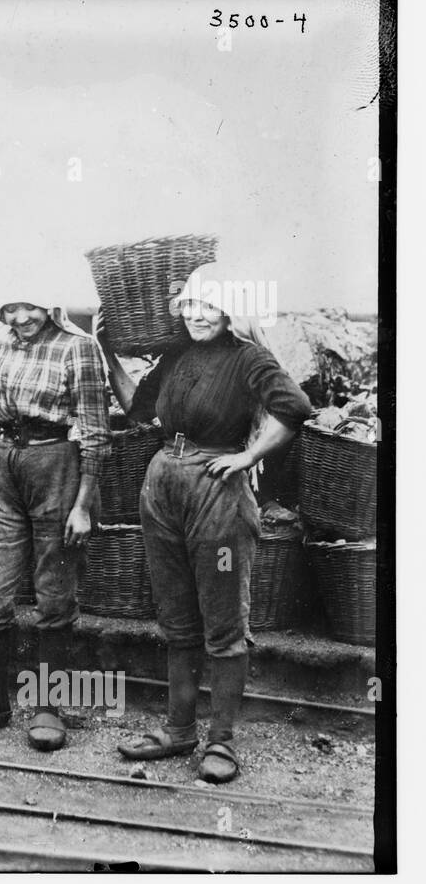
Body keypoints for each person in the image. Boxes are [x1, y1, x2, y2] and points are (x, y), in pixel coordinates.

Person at [99, 264, 312, 782]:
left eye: (209, 305)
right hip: (164, 483)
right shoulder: (176, 355)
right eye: (190, 303)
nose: (196, 314)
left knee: (222, 620)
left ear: (230, 310)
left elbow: (295, 406)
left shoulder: (249, 359)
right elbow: (138, 410)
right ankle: (177, 730)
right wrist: (108, 354)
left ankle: (222, 741)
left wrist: (247, 457)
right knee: (176, 617)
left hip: (217, 490)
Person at [0, 303, 111, 750]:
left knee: (54, 588)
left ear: (49, 306)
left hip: (55, 461)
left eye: (29, 308)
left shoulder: (79, 348)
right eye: (11, 309)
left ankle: (48, 707)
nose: (20, 318)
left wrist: (83, 505)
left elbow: (94, 431)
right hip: (4, 458)